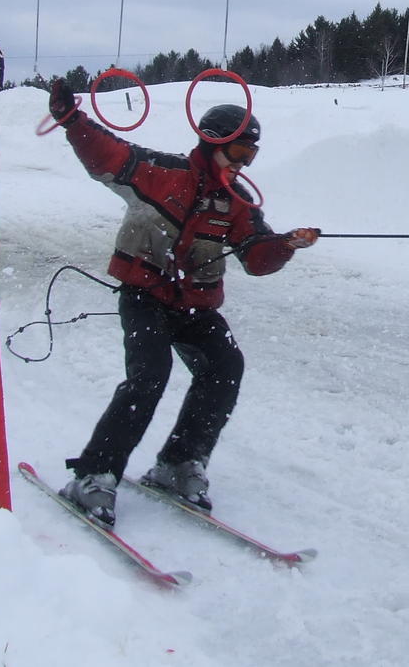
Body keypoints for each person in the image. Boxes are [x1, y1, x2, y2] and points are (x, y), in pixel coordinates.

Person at [46, 78, 319, 526]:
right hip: (146, 297)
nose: (244, 163)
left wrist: (285, 245)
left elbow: (256, 256)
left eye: (250, 156)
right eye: (238, 153)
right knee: (149, 376)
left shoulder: (236, 202)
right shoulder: (159, 172)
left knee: (224, 367)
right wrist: (71, 119)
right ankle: (94, 474)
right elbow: (106, 155)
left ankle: (179, 462)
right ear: (212, 144)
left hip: (196, 306)